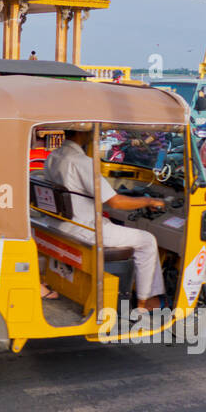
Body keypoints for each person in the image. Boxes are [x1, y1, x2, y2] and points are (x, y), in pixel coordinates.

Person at [43, 128, 166, 310]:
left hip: (59, 225)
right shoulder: (81, 162)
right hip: (84, 230)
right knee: (147, 240)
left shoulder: (53, 156)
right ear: (82, 133)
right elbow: (115, 202)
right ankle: (145, 302)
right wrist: (148, 201)